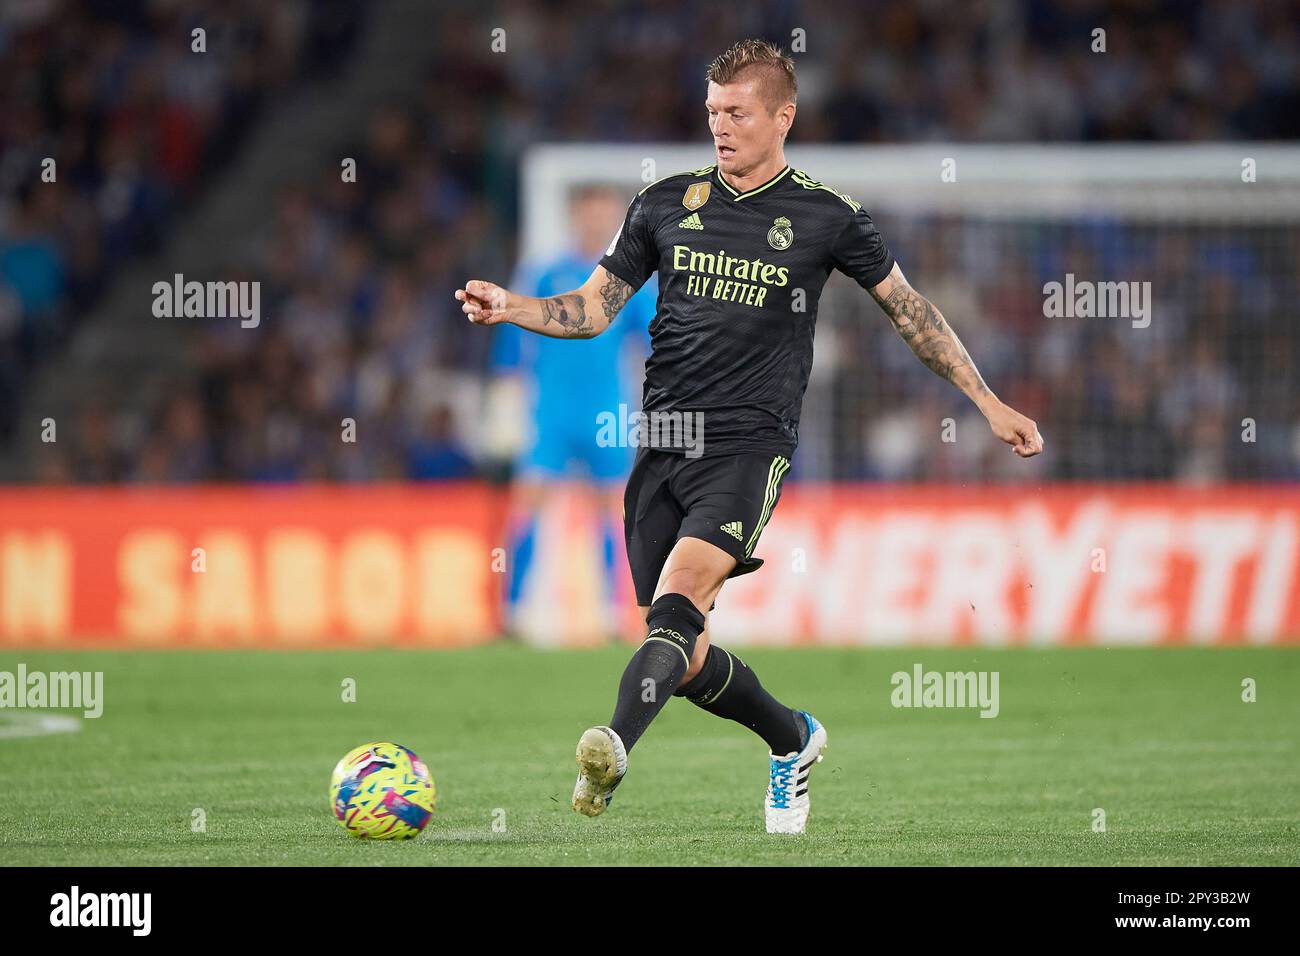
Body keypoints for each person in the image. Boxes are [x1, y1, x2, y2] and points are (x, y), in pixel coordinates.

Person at [455, 39, 1043, 834]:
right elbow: (593, 309)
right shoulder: (665, 203)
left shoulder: (828, 217)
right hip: (661, 441)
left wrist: (987, 400)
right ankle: (793, 738)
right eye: (712, 113)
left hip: (748, 445)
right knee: (681, 651)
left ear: (782, 117)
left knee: (682, 595)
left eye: (737, 113)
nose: (721, 127)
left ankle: (611, 748)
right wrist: (513, 306)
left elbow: (912, 313)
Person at [490, 185, 654, 635]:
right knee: (529, 505)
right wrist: (506, 401)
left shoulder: (628, 280)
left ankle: (608, 612)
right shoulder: (544, 274)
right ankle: (513, 612)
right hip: (552, 411)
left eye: (605, 215)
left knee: (614, 511)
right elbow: (512, 338)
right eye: (589, 214)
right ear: (573, 217)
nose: (596, 223)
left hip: (606, 411)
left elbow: (655, 339)